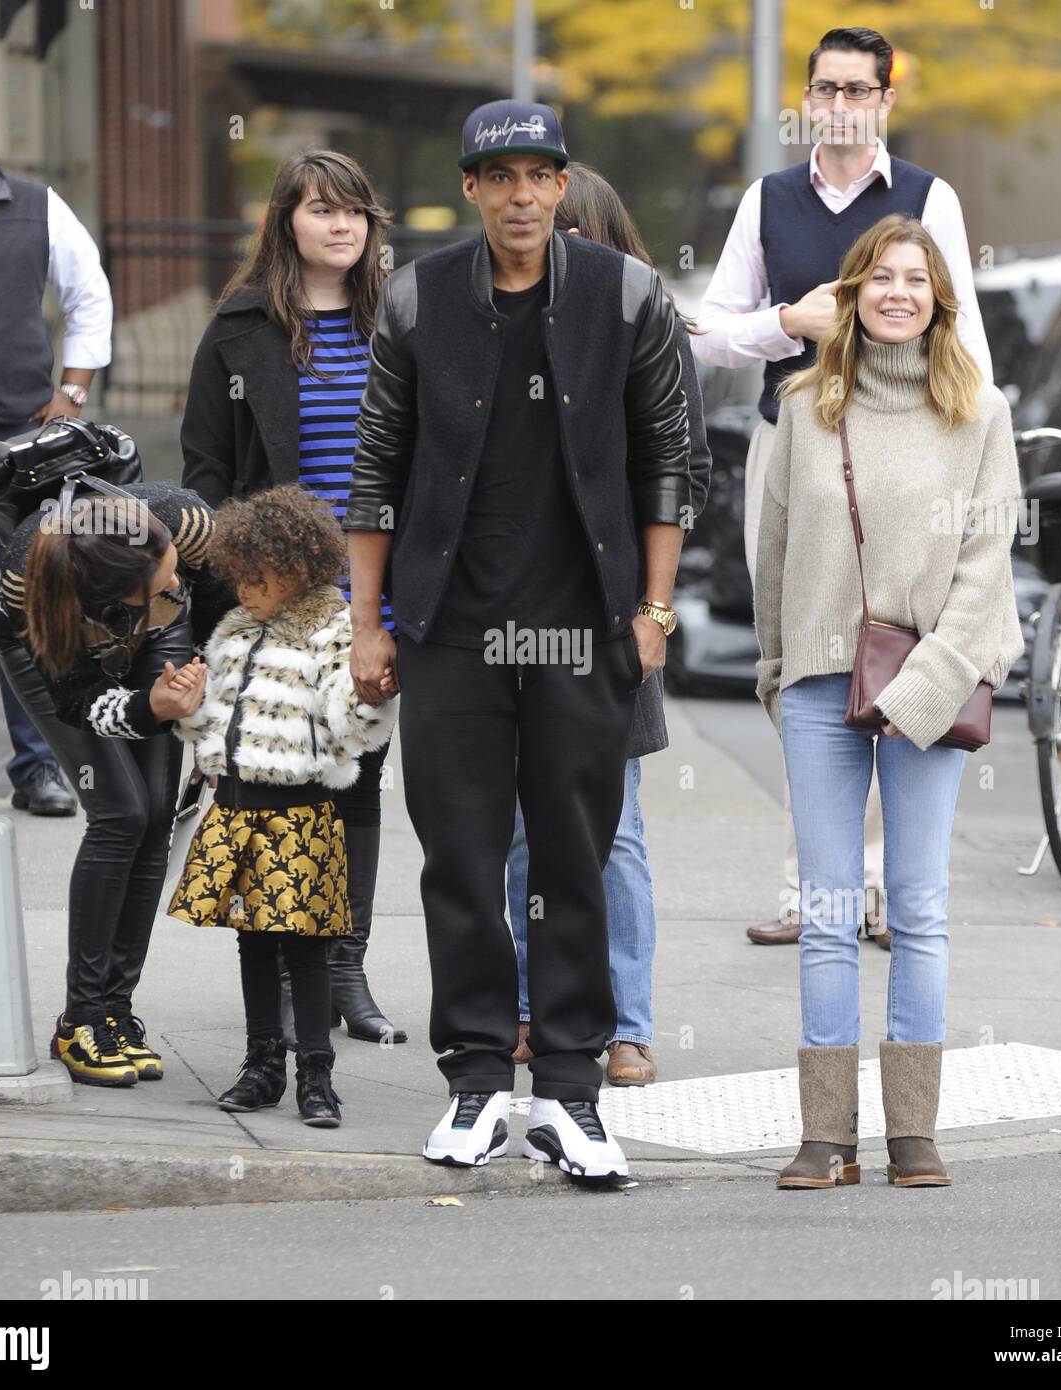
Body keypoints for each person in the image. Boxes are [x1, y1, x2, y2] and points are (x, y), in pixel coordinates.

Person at [345, 99, 690, 1180]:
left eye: (541, 176)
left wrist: (655, 611)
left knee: (576, 860)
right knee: (461, 860)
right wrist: (367, 620)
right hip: (452, 629)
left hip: (582, 629)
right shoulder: (416, 297)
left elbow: (669, 464)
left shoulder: (628, 296)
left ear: (561, 185)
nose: (523, 195)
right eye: (501, 178)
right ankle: (478, 1082)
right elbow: (378, 470)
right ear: (473, 190)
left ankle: (576, 1097)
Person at [690, 26, 993, 947]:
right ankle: (810, 887)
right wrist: (787, 322)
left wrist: (975, 448)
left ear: (885, 101)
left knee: (897, 649)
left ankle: (884, 893)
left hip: (907, 458)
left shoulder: (925, 197)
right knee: (800, 664)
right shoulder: (768, 199)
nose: (841, 105)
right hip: (796, 456)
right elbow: (707, 331)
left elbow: (963, 329)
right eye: (826, 89)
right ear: (808, 100)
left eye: (859, 89)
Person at [753, 214, 1025, 1189]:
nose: (898, 293)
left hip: (935, 690)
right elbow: (775, 550)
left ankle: (915, 1132)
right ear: (855, 294)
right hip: (822, 689)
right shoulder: (806, 406)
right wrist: (776, 671)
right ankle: (825, 1138)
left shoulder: (977, 413)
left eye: (917, 279)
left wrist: (918, 692)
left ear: (939, 299)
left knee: (916, 908)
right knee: (828, 910)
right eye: (881, 279)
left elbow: (989, 570)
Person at [180, 150, 405, 1045]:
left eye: (354, 209)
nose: (341, 225)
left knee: (357, 780)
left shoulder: (399, 318)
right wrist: (240, 593)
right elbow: (205, 475)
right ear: (286, 223)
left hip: (375, 596)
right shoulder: (239, 327)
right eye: (320, 210)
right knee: (272, 787)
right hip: (282, 598)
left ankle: (344, 968)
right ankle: (276, 975)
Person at [506, 161, 712, 1087]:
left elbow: (687, 469)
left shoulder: (645, 327)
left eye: (577, 231)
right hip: (511, 617)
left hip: (616, 612)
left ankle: (625, 1025)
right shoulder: (500, 320)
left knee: (614, 830)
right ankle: (526, 1007)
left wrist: (648, 602)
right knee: (519, 829)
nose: (563, 249)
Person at [168, 487, 397, 1128]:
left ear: (298, 571)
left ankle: (316, 1077)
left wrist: (367, 695)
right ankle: (262, 1063)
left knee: (306, 945)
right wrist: (192, 718)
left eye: (260, 580)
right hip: (235, 807)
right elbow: (212, 715)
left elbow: (349, 723)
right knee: (252, 940)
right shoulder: (235, 631)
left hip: (297, 813)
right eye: (239, 578)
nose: (245, 591)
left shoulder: (330, 630)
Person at [0, 482, 222, 1085]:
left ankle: (116, 1010)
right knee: (120, 813)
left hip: (160, 629)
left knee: (154, 815)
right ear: (113, 591)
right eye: (161, 577)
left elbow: (221, 598)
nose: (175, 578)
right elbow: (76, 701)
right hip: (47, 638)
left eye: (175, 569)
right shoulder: (28, 589)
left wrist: (200, 702)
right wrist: (147, 710)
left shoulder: (184, 526)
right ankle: (80, 1021)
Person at [0, 50, 113, 817]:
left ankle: (38, 768)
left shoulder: (35, 204)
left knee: (24, 603)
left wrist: (73, 390)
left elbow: (90, 292)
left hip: (13, 441)